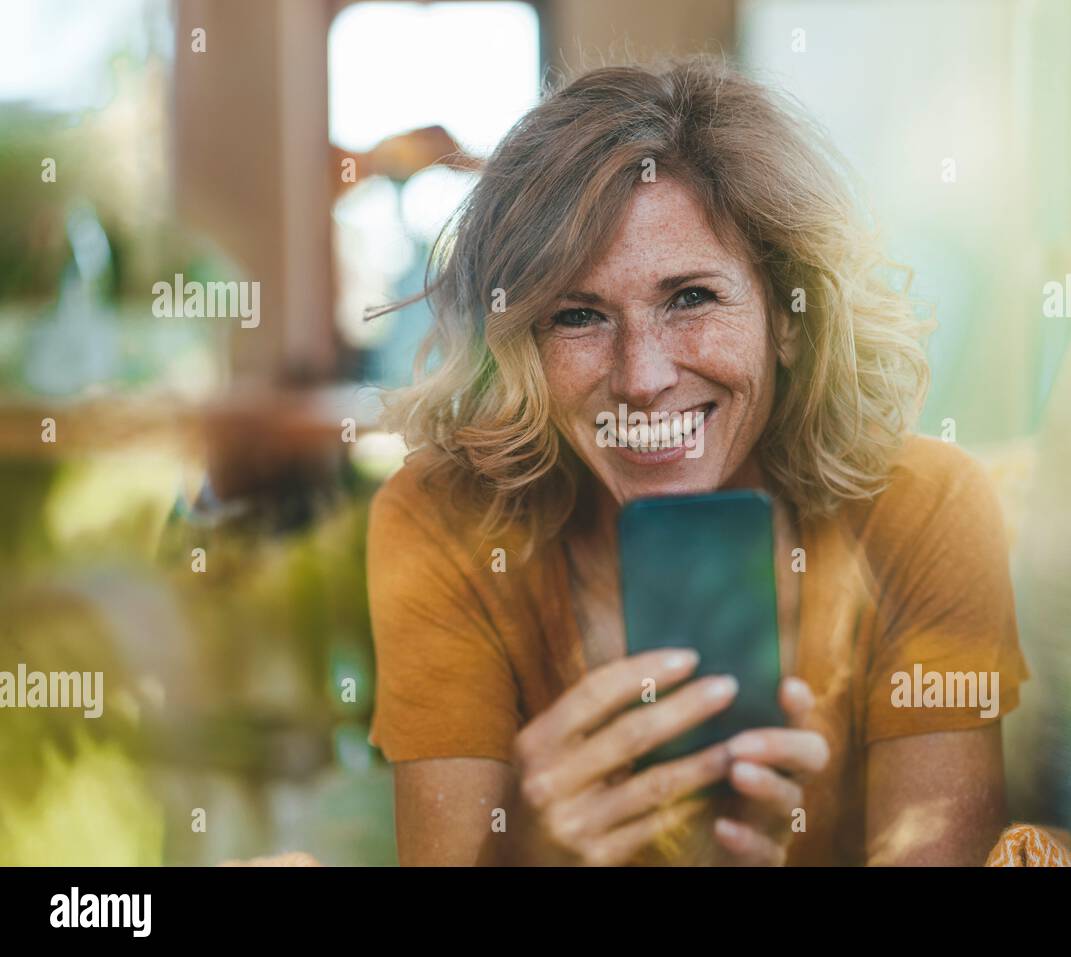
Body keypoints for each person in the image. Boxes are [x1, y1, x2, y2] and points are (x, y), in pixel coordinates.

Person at [366, 56, 1030, 865]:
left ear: (789, 317)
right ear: (521, 348)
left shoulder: (926, 508)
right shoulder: (444, 521)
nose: (642, 379)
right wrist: (526, 853)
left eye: (691, 298)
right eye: (577, 315)